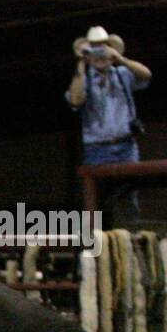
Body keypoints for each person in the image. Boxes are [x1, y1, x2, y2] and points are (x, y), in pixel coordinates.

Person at [66, 25, 151, 222]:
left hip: (126, 146)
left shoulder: (123, 74)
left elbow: (146, 75)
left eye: (103, 48)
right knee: (96, 200)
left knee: (130, 197)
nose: (99, 54)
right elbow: (75, 100)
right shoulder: (83, 80)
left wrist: (120, 59)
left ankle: (130, 237)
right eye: (93, 50)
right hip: (97, 149)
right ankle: (99, 244)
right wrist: (81, 64)